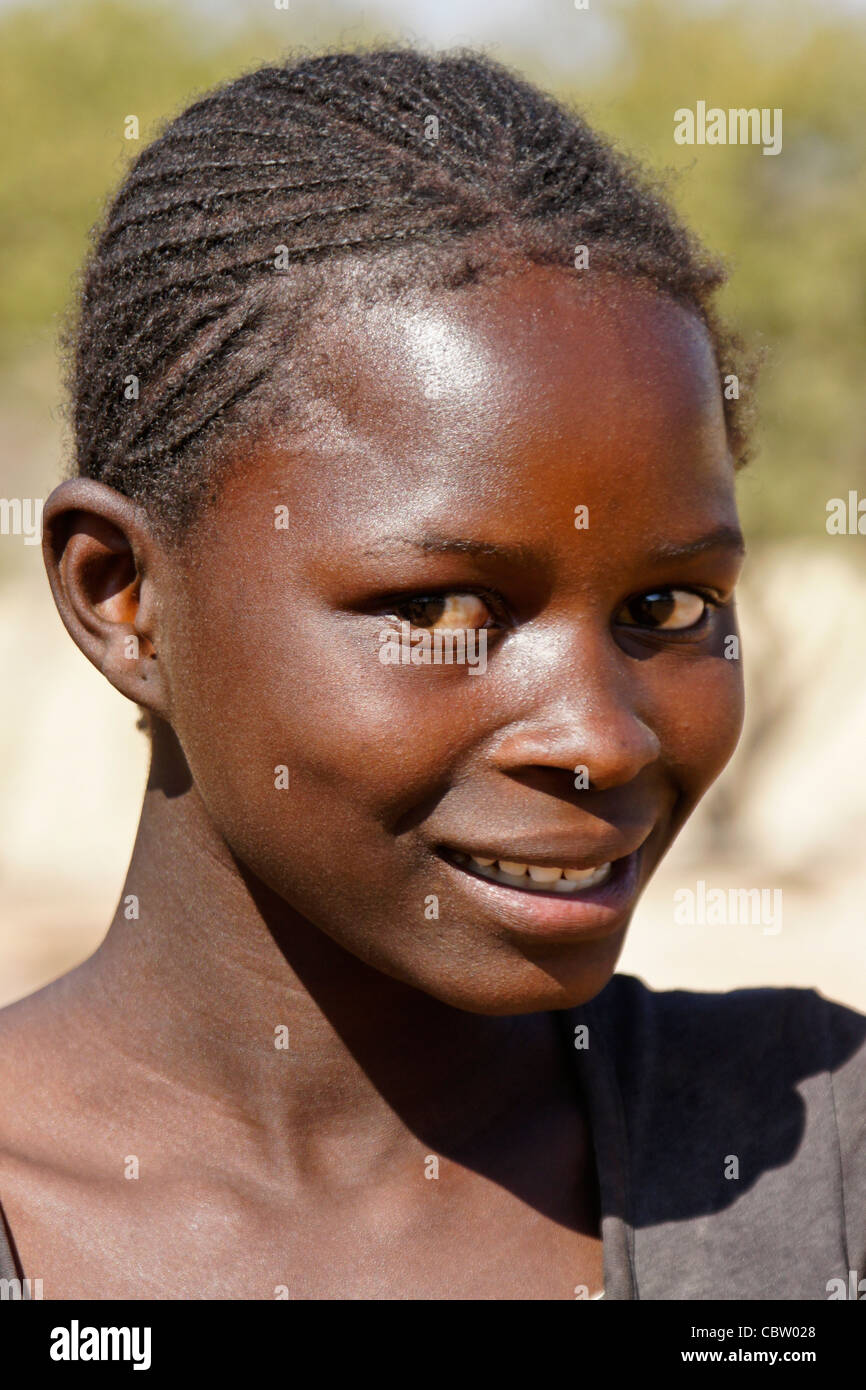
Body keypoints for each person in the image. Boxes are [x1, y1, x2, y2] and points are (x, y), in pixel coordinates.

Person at [0, 48, 863, 1301]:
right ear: (122, 597)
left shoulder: (807, 1168)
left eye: (663, 607)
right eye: (446, 608)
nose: (602, 741)